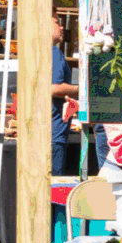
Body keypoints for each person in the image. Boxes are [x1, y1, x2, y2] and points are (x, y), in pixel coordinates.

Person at [50, 13, 80, 176]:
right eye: (56, 23)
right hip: (54, 131)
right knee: (54, 184)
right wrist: (80, 90)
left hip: (48, 129)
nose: (62, 27)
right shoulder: (54, 52)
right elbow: (53, 88)